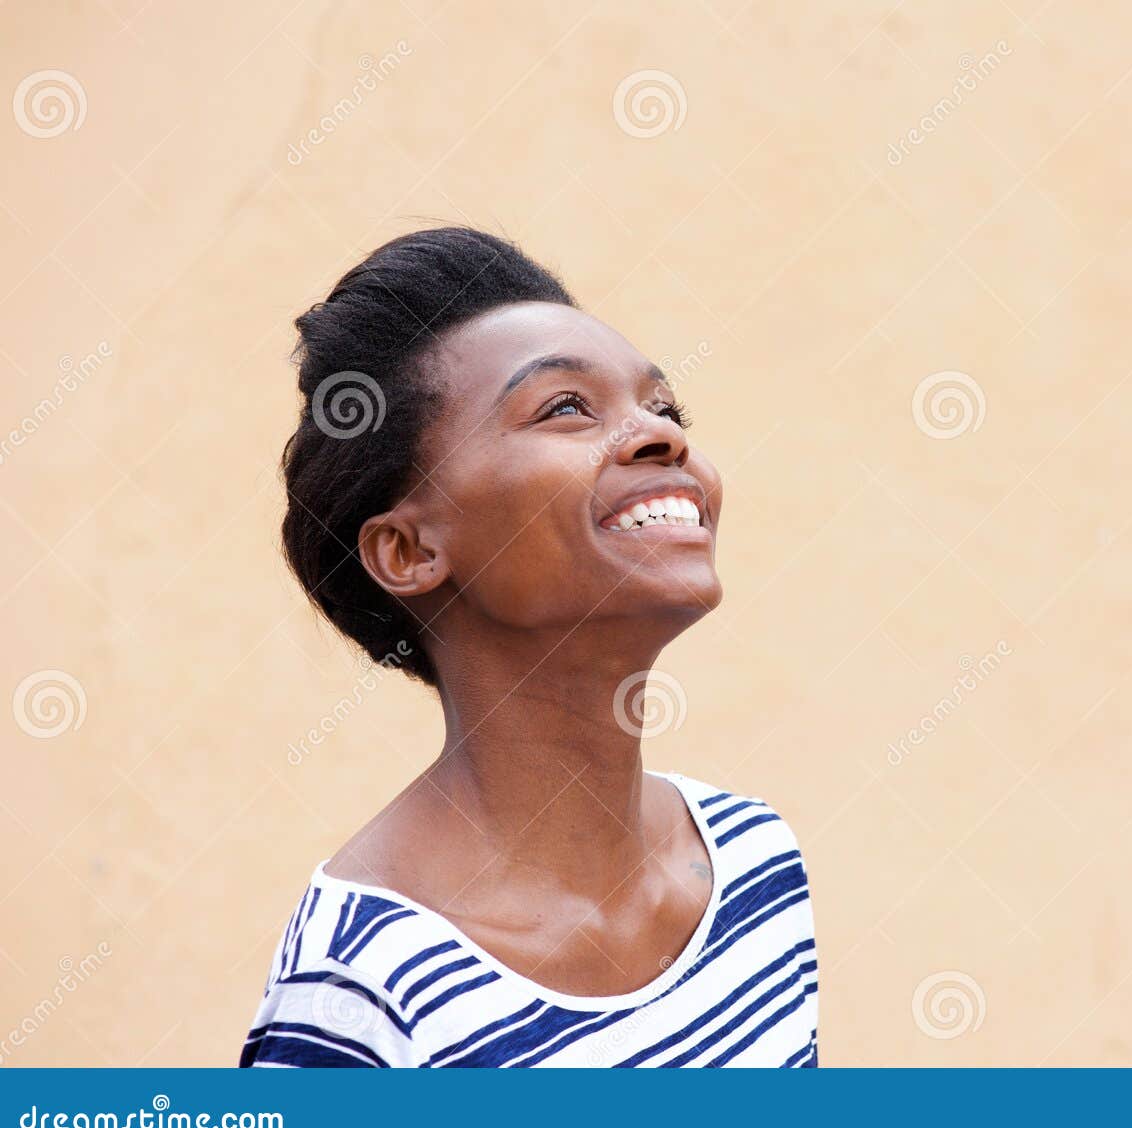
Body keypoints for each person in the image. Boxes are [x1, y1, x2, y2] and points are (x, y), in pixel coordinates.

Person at [240, 228, 818, 1067]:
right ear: (407, 551)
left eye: (664, 407)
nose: (664, 438)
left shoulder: (754, 865)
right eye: (565, 407)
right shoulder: (361, 983)